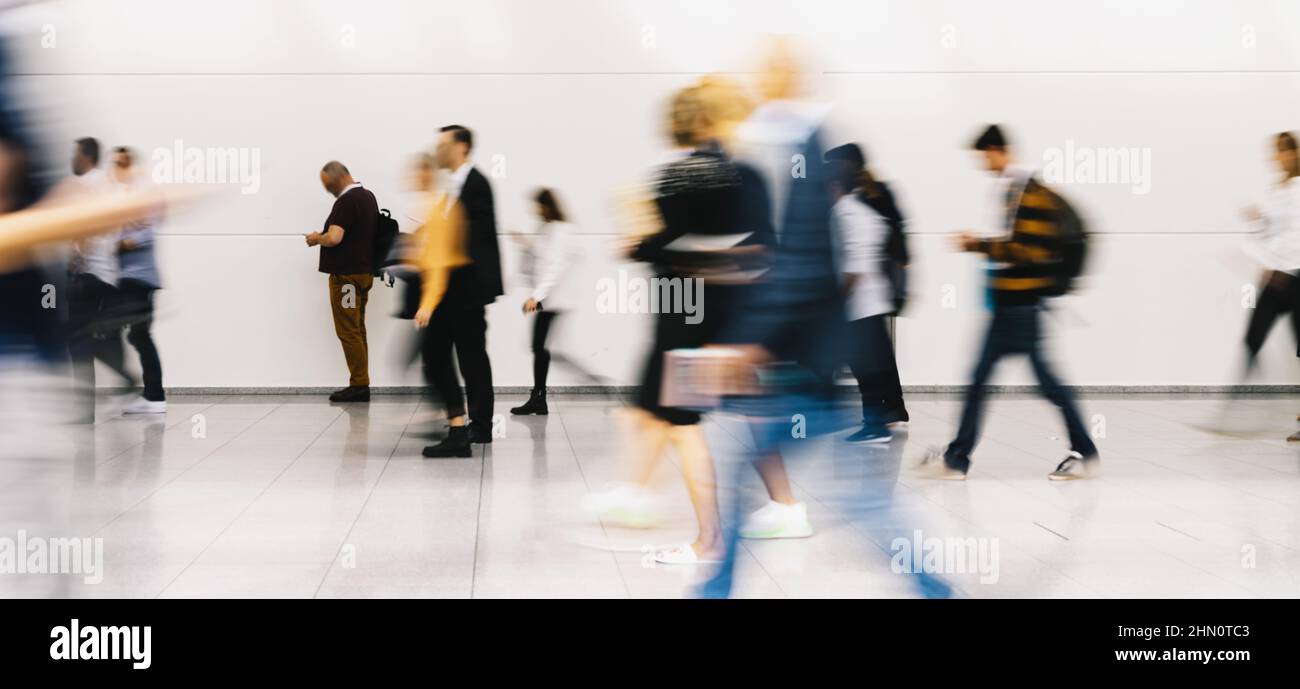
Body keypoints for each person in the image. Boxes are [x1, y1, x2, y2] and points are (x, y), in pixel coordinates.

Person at [581, 80, 771, 565]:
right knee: (666, 414)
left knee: (682, 424)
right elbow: (762, 246)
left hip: (682, 309)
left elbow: (664, 243)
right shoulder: (744, 174)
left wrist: (636, 245)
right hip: (728, 312)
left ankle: (709, 539)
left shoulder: (676, 176)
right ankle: (641, 494)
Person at [927, 124, 1099, 481]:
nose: (982, 164)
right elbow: (1019, 247)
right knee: (991, 381)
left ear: (996, 150)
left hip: (1019, 307)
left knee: (1034, 383)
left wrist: (978, 244)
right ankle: (958, 457)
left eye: (983, 156)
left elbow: (1029, 252)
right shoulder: (1014, 190)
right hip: (1011, 306)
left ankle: (1083, 451)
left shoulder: (1030, 194)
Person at [417, 125, 504, 456]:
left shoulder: (476, 183)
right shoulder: (452, 185)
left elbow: (475, 239)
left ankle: (476, 427)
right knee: (448, 354)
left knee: (469, 357)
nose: (438, 150)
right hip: (453, 288)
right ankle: (464, 424)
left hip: (466, 289)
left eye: (443, 144)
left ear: (462, 147)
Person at [824, 142, 910, 426]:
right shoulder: (870, 193)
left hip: (870, 285)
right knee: (877, 354)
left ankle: (880, 414)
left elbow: (871, 248)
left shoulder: (857, 201)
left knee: (867, 356)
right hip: (877, 283)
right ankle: (889, 410)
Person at [64, 137, 134, 423]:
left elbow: (83, 225)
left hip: (87, 272)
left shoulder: (85, 185)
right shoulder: (108, 185)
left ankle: (86, 409)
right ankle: (121, 376)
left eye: (76, 154)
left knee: (77, 339)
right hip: (106, 273)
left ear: (86, 156)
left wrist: (76, 259)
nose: (73, 159)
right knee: (89, 335)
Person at [1238, 132, 1300, 440]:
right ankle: (1247, 409)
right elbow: (1276, 232)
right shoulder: (1278, 190)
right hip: (1278, 274)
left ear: (1293, 153)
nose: (1278, 157)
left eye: (1283, 152)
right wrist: (1259, 221)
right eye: (1276, 152)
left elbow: (1295, 235)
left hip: (1296, 274)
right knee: (1253, 337)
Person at [305, 161, 377, 403]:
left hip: (346, 276)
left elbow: (335, 238)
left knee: (348, 329)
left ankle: (359, 385)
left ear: (339, 177)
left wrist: (317, 238)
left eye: (329, 185)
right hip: (364, 273)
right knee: (358, 328)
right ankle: (361, 382)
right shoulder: (368, 196)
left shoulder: (347, 201)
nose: (328, 190)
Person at [107, 146, 167, 414]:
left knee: (138, 334)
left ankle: (151, 395)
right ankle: (147, 393)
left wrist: (122, 242)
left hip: (139, 278)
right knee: (134, 335)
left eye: (121, 164)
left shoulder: (145, 193)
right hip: (124, 277)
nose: (116, 169)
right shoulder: (121, 195)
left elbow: (148, 232)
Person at [510, 188, 578, 416]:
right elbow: (542, 258)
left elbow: (554, 266)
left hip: (553, 298)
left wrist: (536, 296)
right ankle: (539, 397)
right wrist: (527, 245)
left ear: (547, 206)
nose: (535, 210)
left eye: (538, 206)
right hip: (549, 297)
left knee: (541, 347)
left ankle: (539, 397)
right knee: (541, 347)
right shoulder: (548, 229)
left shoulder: (559, 230)